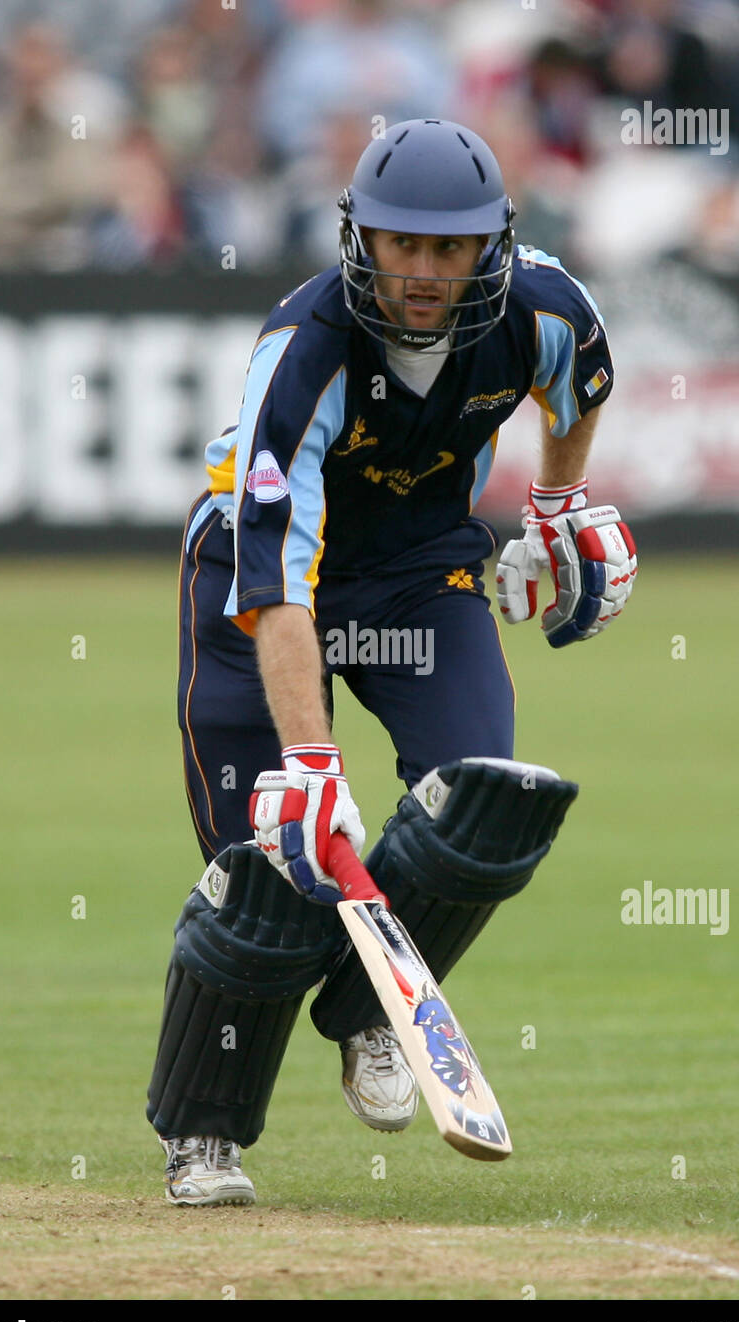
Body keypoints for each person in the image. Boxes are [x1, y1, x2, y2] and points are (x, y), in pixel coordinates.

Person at [146, 117, 637, 1206]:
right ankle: (203, 1135)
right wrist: (311, 759)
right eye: (398, 243)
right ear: (357, 237)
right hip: (259, 584)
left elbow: (582, 391)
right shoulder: (303, 356)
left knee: (483, 801)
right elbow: (278, 581)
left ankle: (371, 1010)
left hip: (420, 571)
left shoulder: (546, 312)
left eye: (446, 248)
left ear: (490, 246)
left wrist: (555, 503)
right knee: (270, 866)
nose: (419, 272)